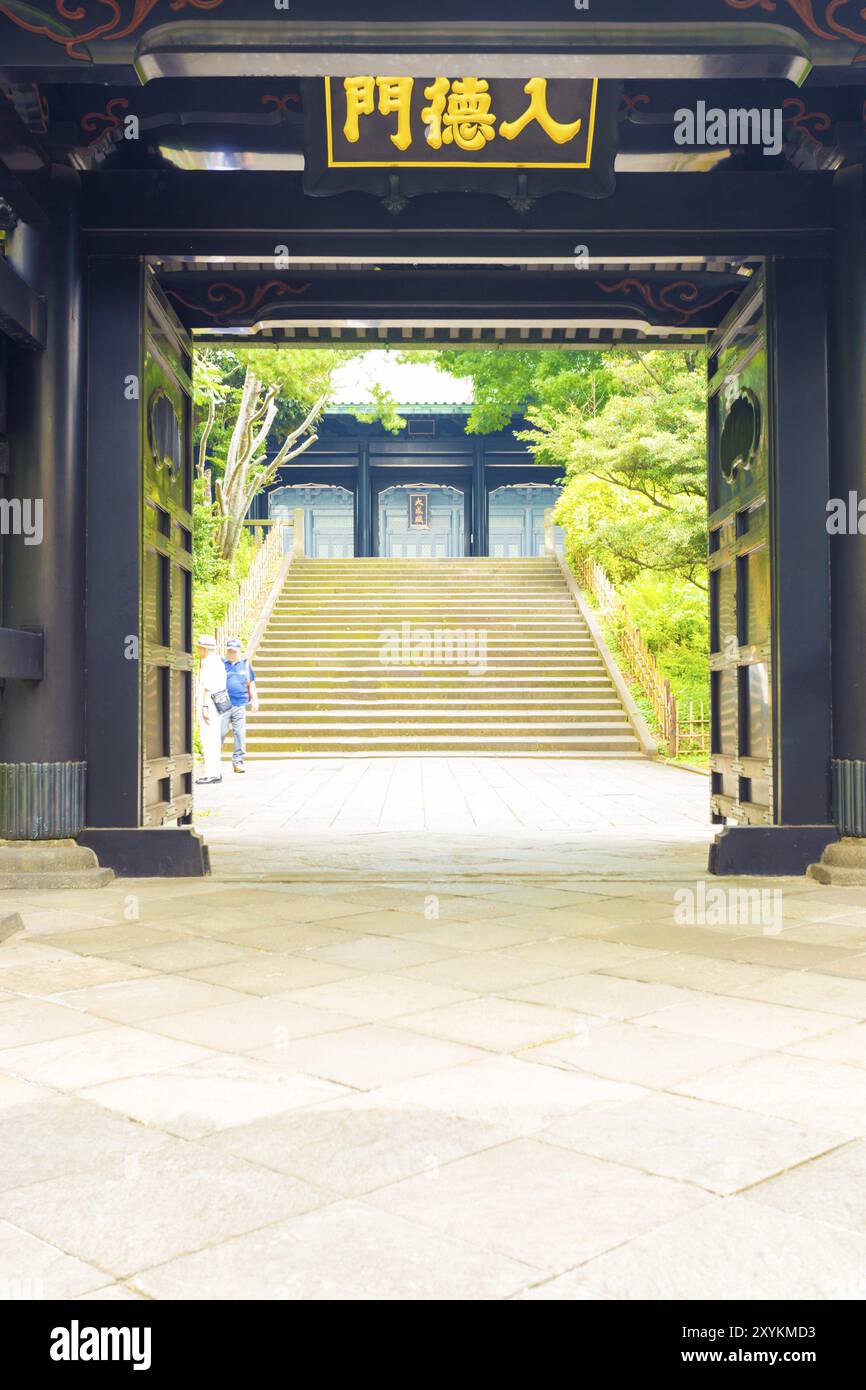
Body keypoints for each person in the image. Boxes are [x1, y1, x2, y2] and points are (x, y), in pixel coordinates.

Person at [221, 637, 259, 774]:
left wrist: (255, 699)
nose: (231, 654)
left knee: (239, 733)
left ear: (239, 651)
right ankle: (214, 761)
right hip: (223, 704)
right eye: (229, 651)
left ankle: (238, 761)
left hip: (240, 703)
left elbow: (251, 683)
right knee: (221, 732)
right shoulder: (221, 664)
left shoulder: (244, 665)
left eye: (234, 651)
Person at [195, 634, 228, 785]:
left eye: (199, 648)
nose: (197, 650)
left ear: (204, 648)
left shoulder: (209, 662)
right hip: (215, 704)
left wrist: (204, 707)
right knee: (213, 739)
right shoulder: (218, 661)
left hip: (210, 704)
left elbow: (208, 687)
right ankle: (215, 772)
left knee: (209, 739)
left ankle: (212, 773)